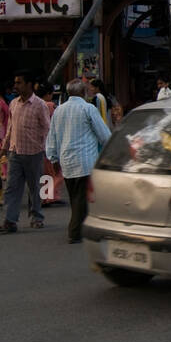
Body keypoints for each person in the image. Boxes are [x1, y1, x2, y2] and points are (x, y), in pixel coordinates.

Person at [45, 79, 113, 244]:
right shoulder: (88, 108)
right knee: (82, 199)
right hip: (86, 161)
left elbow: (52, 137)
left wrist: (53, 158)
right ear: (83, 92)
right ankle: (75, 231)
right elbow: (104, 135)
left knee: (76, 197)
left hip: (67, 161)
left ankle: (83, 228)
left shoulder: (59, 110)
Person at [0, 70, 51, 234]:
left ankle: (37, 217)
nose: (16, 86)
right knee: (12, 188)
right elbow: (10, 128)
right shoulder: (14, 104)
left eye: (19, 83)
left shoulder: (40, 105)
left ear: (29, 85)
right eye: (15, 82)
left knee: (35, 187)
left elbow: (47, 129)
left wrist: (47, 151)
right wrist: (4, 148)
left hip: (34, 153)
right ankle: (10, 221)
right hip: (15, 152)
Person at [37, 79, 66, 206]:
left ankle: (45, 197)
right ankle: (52, 196)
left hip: (39, 143)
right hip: (50, 142)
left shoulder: (36, 104)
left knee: (46, 173)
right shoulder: (50, 106)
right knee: (57, 173)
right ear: (49, 93)